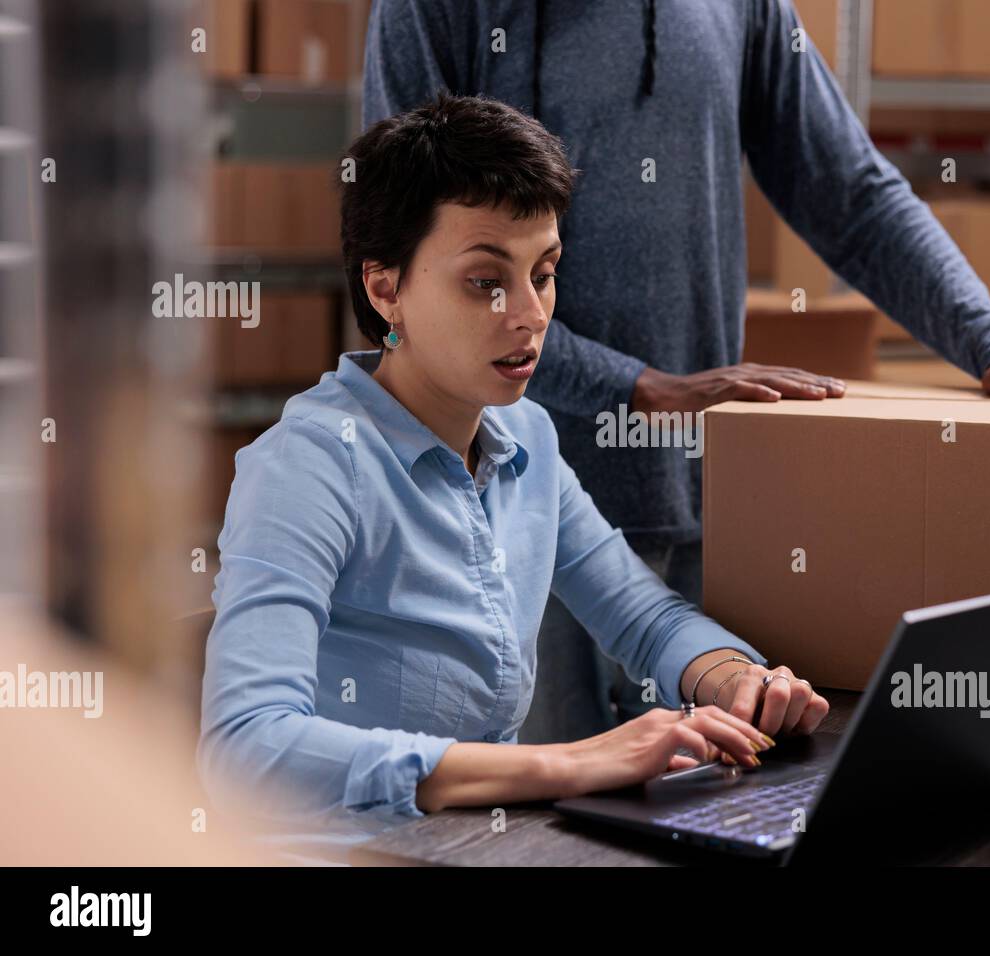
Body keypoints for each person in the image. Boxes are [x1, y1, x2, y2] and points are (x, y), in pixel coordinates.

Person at [362, 0, 990, 743]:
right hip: (512, 501)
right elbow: (412, 254)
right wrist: (635, 386)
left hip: (713, 496)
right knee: (536, 820)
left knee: (700, 804)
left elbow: (849, 192)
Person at [197, 94, 827, 844]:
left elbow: (645, 616)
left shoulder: (524, 436)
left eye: (545, 272)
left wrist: (734, 679)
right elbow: (247, 747)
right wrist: (565, 765)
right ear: (384, 288)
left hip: (475, 845)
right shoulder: (309, 466)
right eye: (485, 280)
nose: (531, 314)